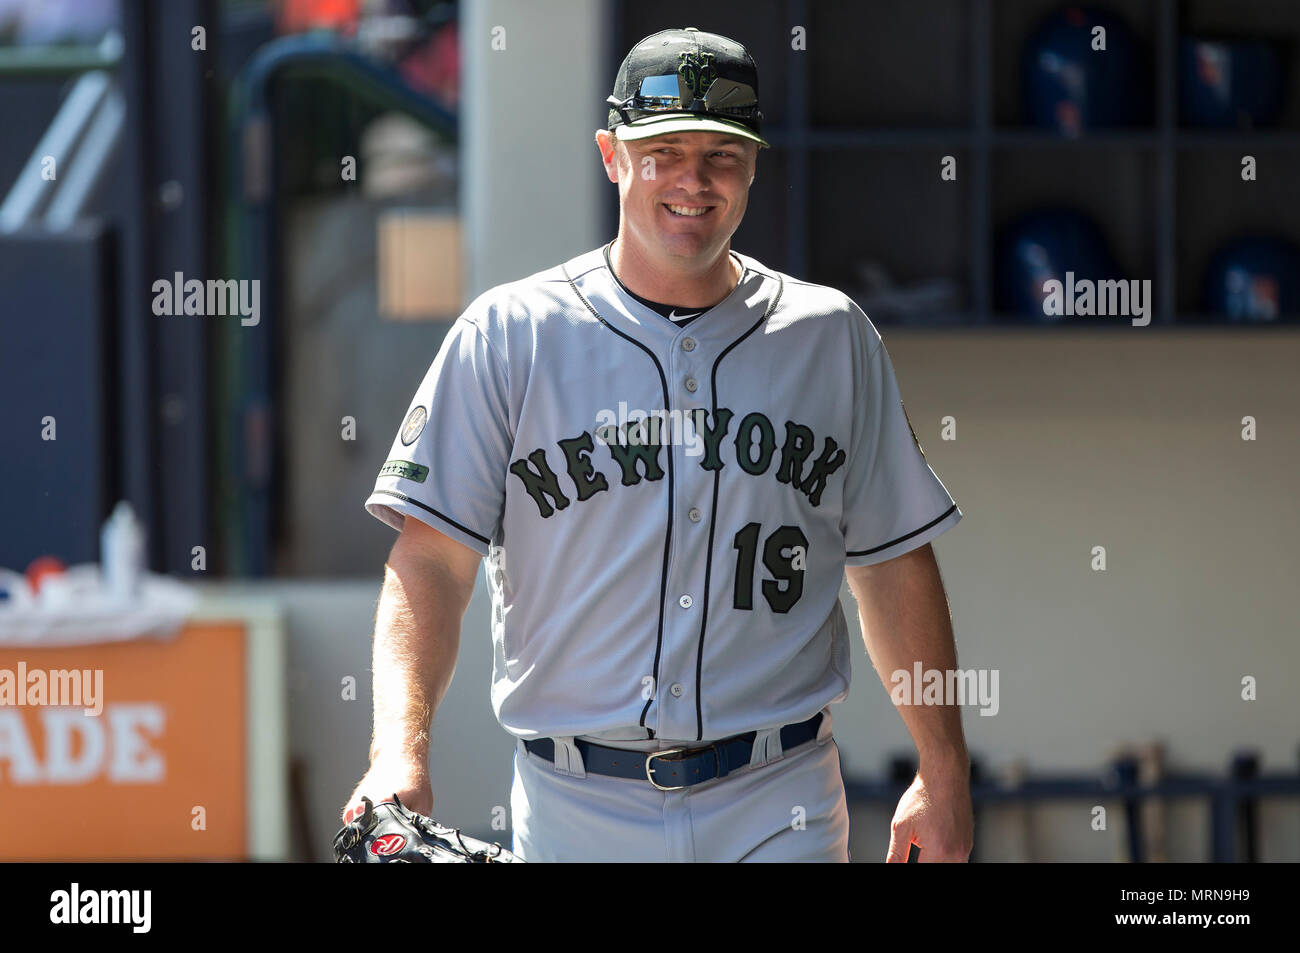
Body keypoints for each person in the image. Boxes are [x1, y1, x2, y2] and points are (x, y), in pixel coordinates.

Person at [343, 26, 973, 863]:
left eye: (722, 153)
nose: (693, 179)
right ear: (612, 155)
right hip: (576, 802)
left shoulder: (831, 337)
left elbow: (892, 564)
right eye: (663, 149)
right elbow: (430, 562)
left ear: (753, 165)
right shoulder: (510, 335)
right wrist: (398, 746)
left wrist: (944, 764)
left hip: (776, 793)